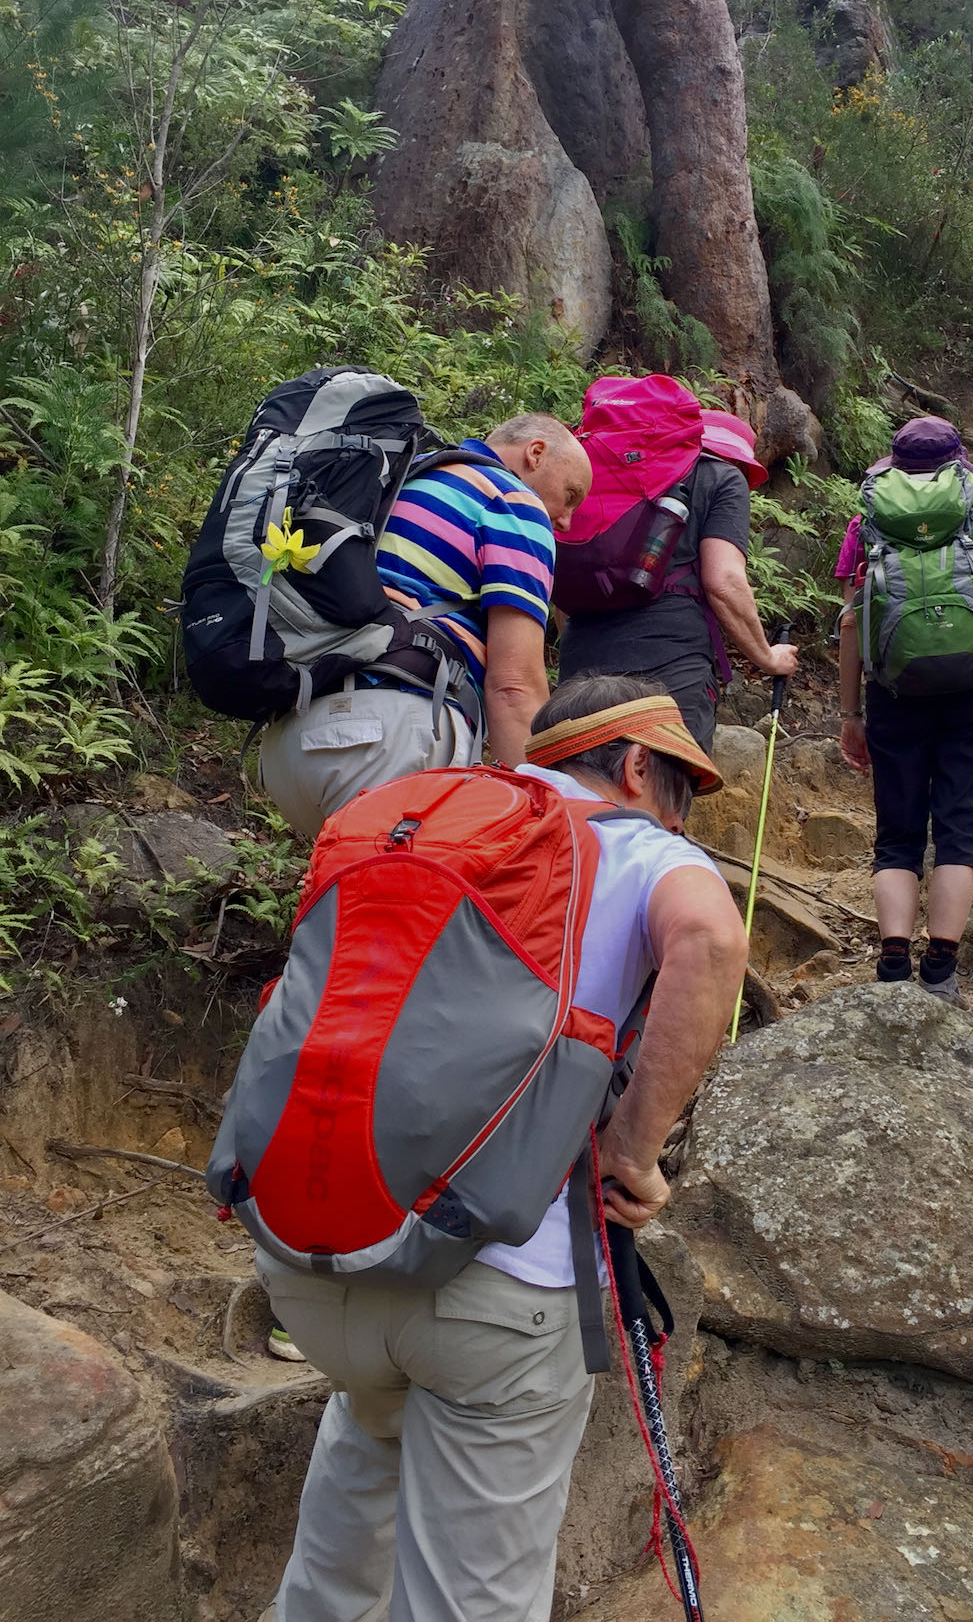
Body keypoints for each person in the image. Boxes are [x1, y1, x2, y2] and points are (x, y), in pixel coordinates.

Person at [254, 674, 748, 1622]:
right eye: (682, 790)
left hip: (320, 1262)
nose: (684, 816)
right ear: (639, 766)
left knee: (353, 1500)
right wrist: (630, 1152)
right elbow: (713, 940)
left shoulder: (425, 822)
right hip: (498, 1299)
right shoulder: (639, 850)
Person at [258, 413, 592, 836]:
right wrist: (544, 821)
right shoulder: (512, 501)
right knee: (406, 898)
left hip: (289, 744)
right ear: (536, 454)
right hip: (387, 739)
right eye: (571, 494)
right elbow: (515, 686)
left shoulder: (408, 475)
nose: (566, 520)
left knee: (354, 897)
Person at [836, 417, 973, 1002]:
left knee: (897, 834)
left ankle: (893, 964)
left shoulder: (866, 526)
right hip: (971, 695)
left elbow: (852, 626)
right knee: (960, 831)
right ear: (956, 466)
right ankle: (941, 971)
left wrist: (850, 713)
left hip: (893, 697)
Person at [557, 402, 796, 752]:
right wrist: (767, 658)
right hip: (669, 673)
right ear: (739, 460)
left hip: (580, 667)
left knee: (581, 795)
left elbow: (569, 575)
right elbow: (724, 582)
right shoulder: (722, 478)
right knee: (658, 796)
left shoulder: (606, 474)